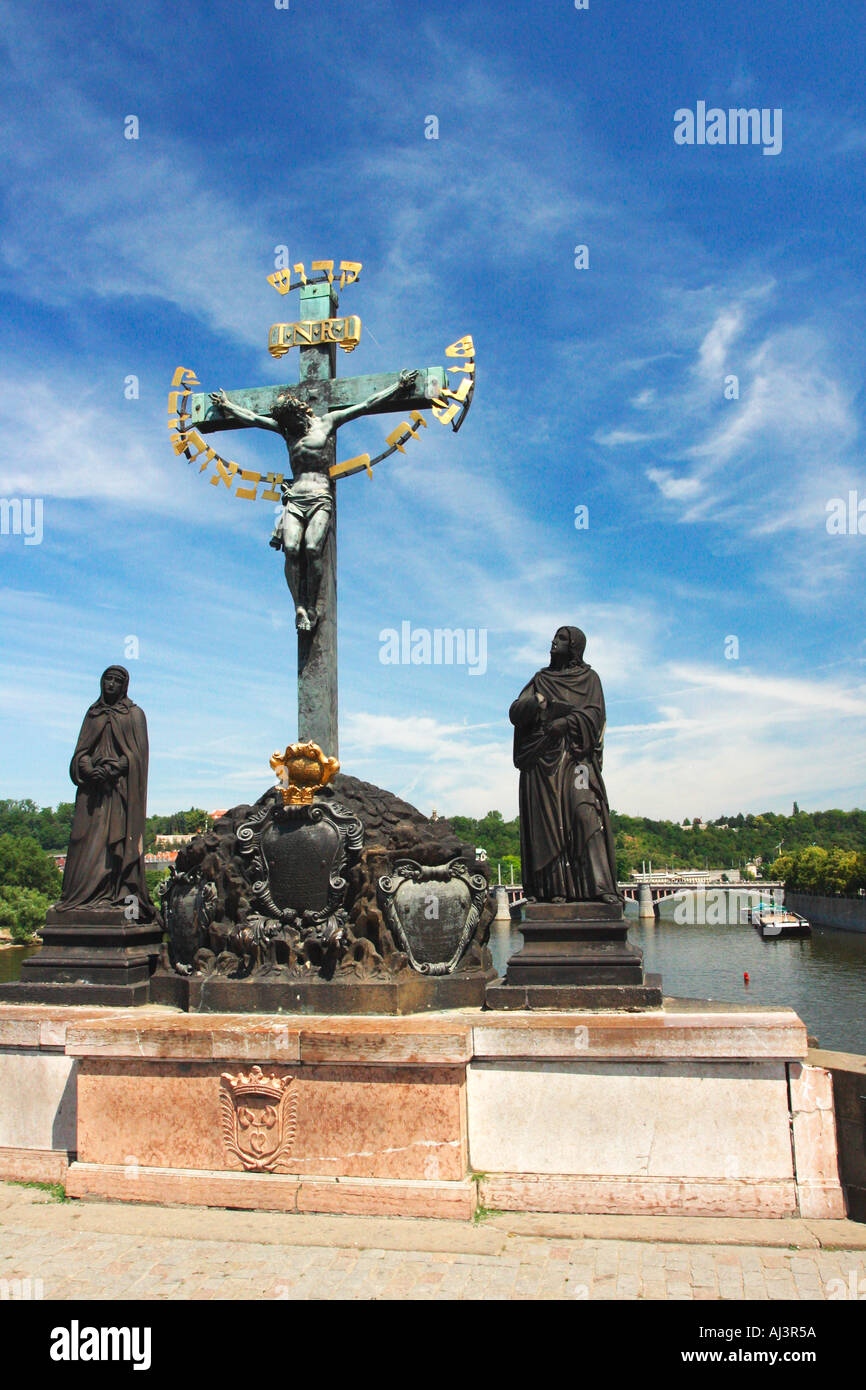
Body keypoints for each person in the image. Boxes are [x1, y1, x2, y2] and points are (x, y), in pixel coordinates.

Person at [210, 370, 419, 633]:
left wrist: (397, 387)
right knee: (291, 547)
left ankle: (315, 604)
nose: (290, 428)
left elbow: (365, 405)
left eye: (292, 422)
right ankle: (299, 606)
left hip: (320, 495)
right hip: (296, 497)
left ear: (301, 413)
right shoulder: (287, 432)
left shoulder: (327, 422)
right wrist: (227, 406)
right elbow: (253, 418)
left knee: (311, 548)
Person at [509, 627, 620, 904]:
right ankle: (552, 890)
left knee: (586, 812)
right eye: (554, 638)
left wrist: (567, 723)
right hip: (544, 762)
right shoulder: (540, 679)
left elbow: (595, 716)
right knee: (548, 825)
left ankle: (600, 887)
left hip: (578, 761)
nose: (553, 643)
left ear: (573, 646)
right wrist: (537, 702)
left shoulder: (589, 679)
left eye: (560, 639)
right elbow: (515, 712)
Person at [55, 666, 154, 918]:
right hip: (92, 792)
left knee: (114, 843)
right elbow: (81, 751)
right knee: (83, 840)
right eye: (107, 679)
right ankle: (79, 897)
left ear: (125, 686)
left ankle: (116, 894)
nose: (110, 684)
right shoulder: (93, 713)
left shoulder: (134, 715)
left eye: (116, 681)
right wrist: (87, 767)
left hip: (119, 793)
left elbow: (139, 758)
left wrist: (115, 768)